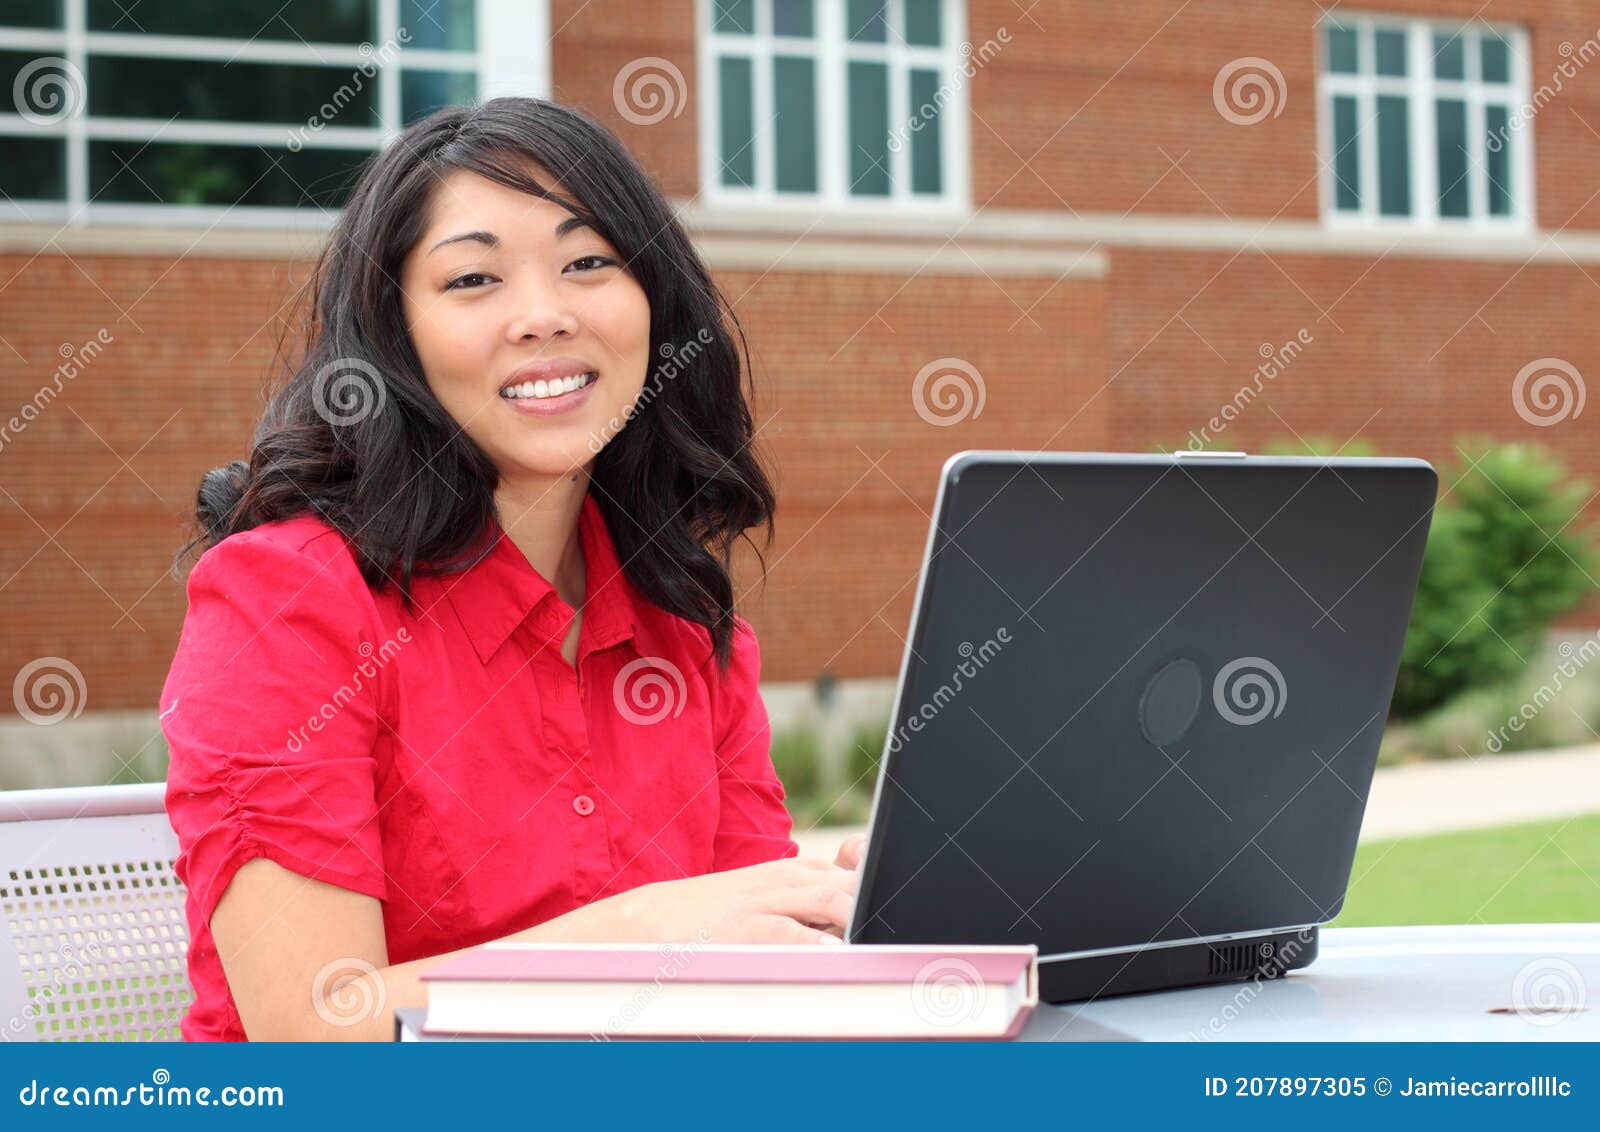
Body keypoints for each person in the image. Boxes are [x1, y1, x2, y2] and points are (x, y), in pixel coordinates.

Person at [160, 97, 865, 1042]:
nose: (543, 316)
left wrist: (845, 919)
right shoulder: (283, 602)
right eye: (472, 279)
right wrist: (641, 935)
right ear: (393, 336)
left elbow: (751, 980)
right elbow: (320, 1029)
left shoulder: (686, 625)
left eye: (587, 263)